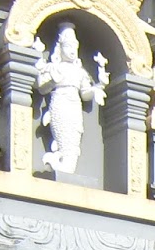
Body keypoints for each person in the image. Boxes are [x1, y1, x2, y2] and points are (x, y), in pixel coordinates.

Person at [34, 22, 108, 177]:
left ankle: (67, 166)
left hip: (74, 105)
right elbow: (42, 87)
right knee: (62, 134)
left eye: (75, 47)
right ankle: (59, 160)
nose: (72, 51)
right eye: (68, 46)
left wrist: (95, 89)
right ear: (60, 48)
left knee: (74, 137)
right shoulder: (53, 68)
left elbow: (85, 93)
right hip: (59, 102)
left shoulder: (80, 72)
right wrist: (53, 81)